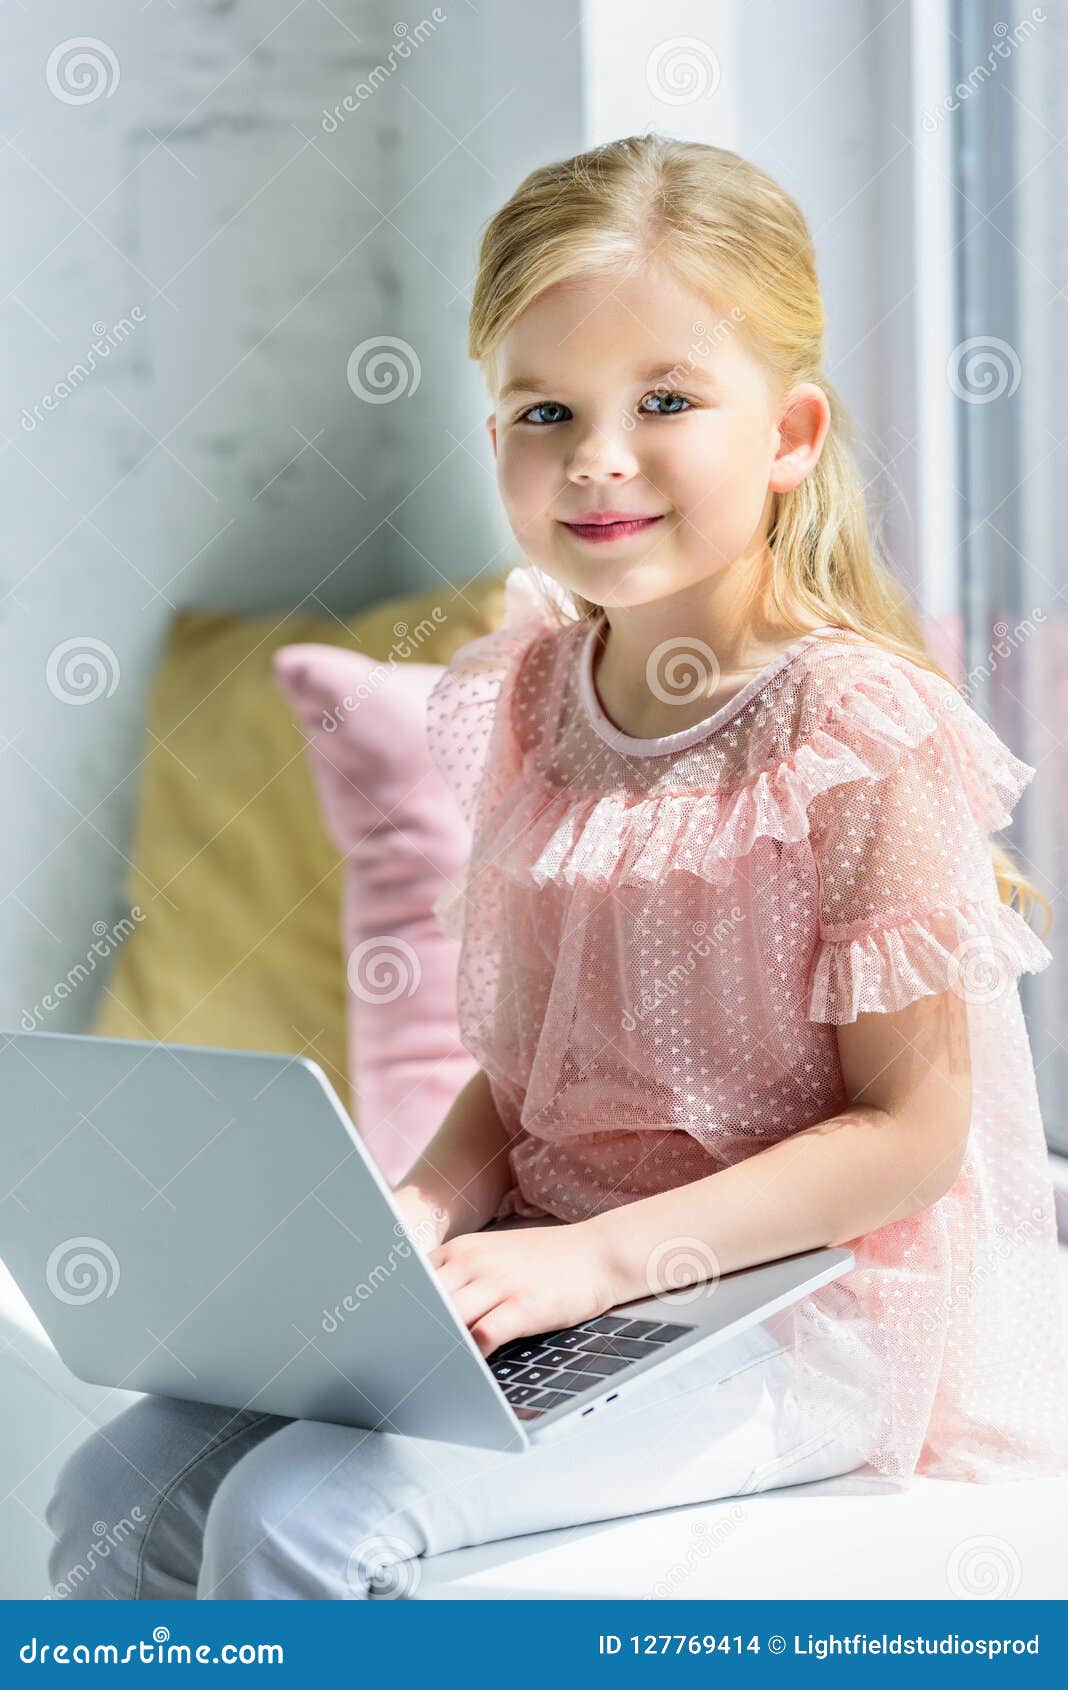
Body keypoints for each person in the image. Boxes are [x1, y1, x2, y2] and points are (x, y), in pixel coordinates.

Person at [47, 133, 1068, 1602]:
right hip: (566, 1271)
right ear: (496, 441)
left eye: (664, 401)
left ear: (787, 435)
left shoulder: (853, 728)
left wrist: (600, 1268)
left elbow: (909, 1135)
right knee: (111, 1487)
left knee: (303, 1520)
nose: (598, 455)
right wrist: (419, 1208)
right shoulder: (531, 694)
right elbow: (530, 1077)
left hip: (790, 1308)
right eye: (548, 408)